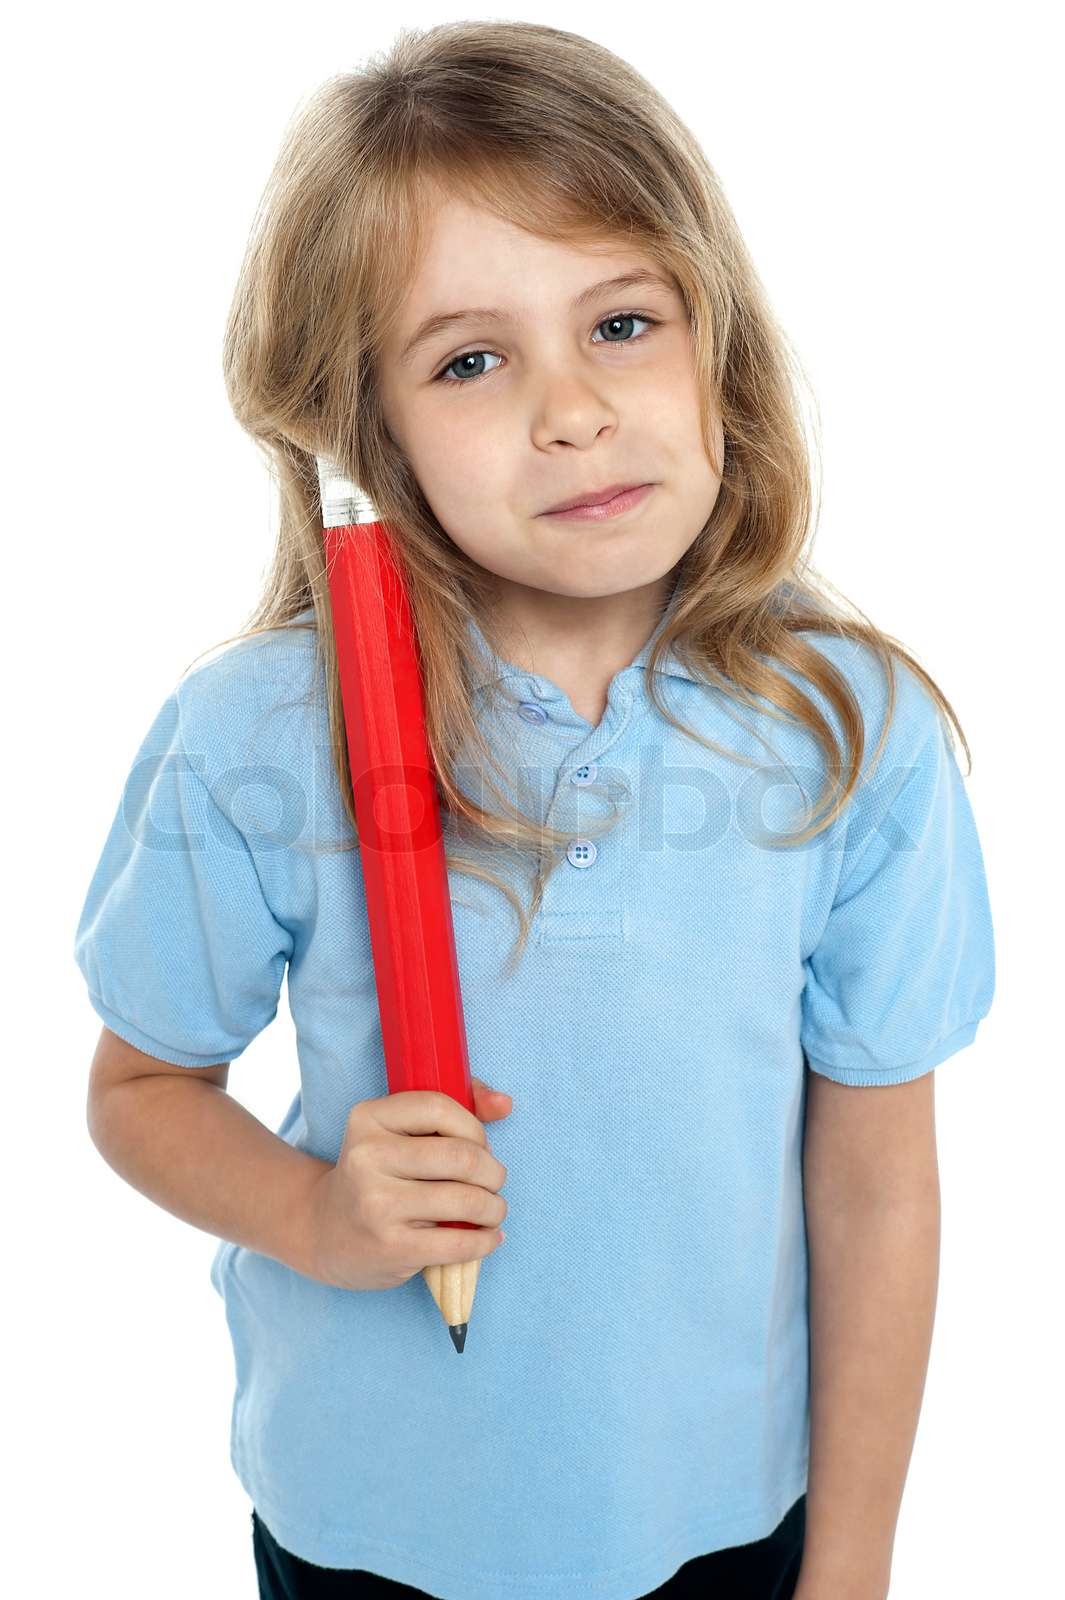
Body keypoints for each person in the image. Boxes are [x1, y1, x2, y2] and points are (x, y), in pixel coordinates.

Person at [74, 21, 995, 1600]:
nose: (571, 411)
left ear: (718, 342)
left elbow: (875, 1177)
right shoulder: (254, 731)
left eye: (623, 322)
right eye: (470, 359)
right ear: (367, 434)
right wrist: (313, 1210)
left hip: (729, 1516)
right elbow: (143, 1084)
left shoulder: (854, 730)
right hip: (367, 1527)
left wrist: (848, 1568)